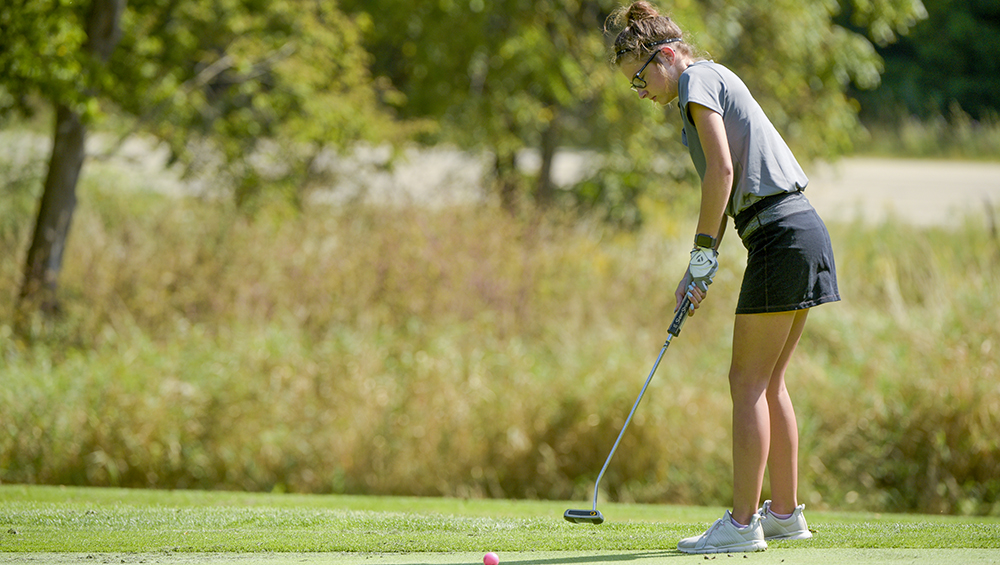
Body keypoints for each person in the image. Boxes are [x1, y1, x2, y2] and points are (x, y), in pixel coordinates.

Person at [605, 1, 841, 554]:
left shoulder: (695, 82)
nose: (641, 93)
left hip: (780, 236)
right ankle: (783, 515)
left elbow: (723, 171)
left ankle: (741, 526)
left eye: (640, 79)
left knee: (746, 383)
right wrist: (707, 259)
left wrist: (702, 258)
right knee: (770, 381)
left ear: (665, 56)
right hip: (801, 230)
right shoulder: (712, 78)